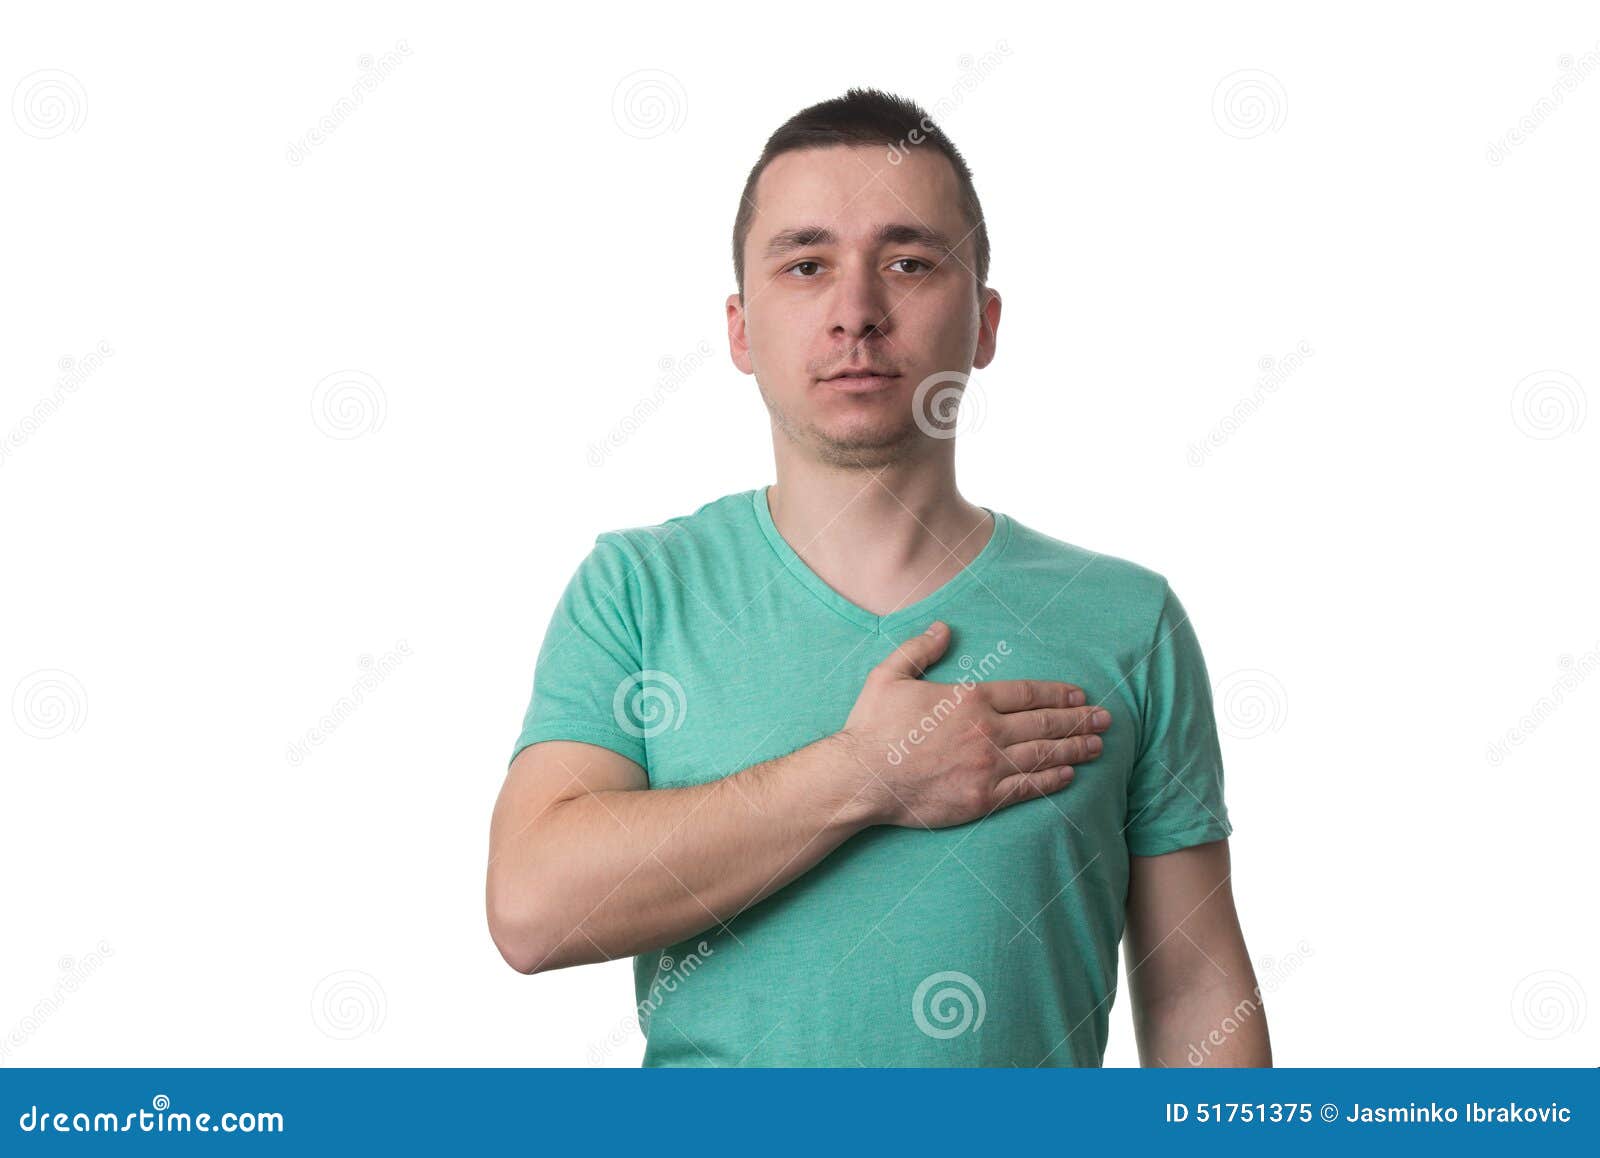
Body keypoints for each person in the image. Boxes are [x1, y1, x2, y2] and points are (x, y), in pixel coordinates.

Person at [487, 87, 1271, 1068]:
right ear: (739, 329)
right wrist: (866, 777)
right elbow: (531, 909)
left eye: (907, 263)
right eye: (806, 265)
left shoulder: (1126, 621)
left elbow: (1195, 992)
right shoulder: (638, 591)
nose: (856, 312)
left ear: (983, 324)